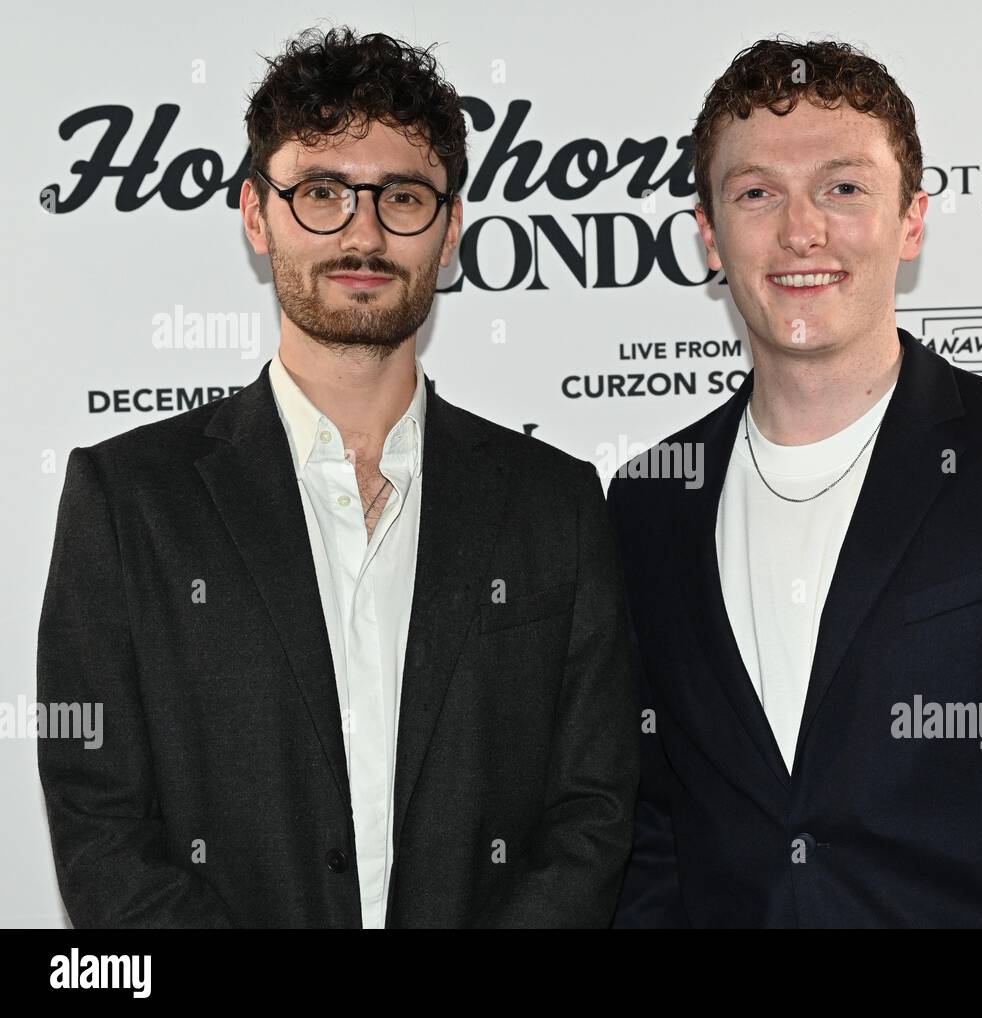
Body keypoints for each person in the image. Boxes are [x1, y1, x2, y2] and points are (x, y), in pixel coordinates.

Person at [37, 27, 636, 928]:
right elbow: (100, 825)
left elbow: (593, 813)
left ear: (451, 228)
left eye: (401, 197)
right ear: (255, 213)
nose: (362, 232)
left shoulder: (555, 503)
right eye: (321, 193)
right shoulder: (129, 502)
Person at [610, 37, 982, 927]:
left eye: (843, 189)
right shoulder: (651, 499)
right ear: (707, 235)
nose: (801, 230)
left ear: (912, 222)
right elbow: (652, 832)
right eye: (757, 192)